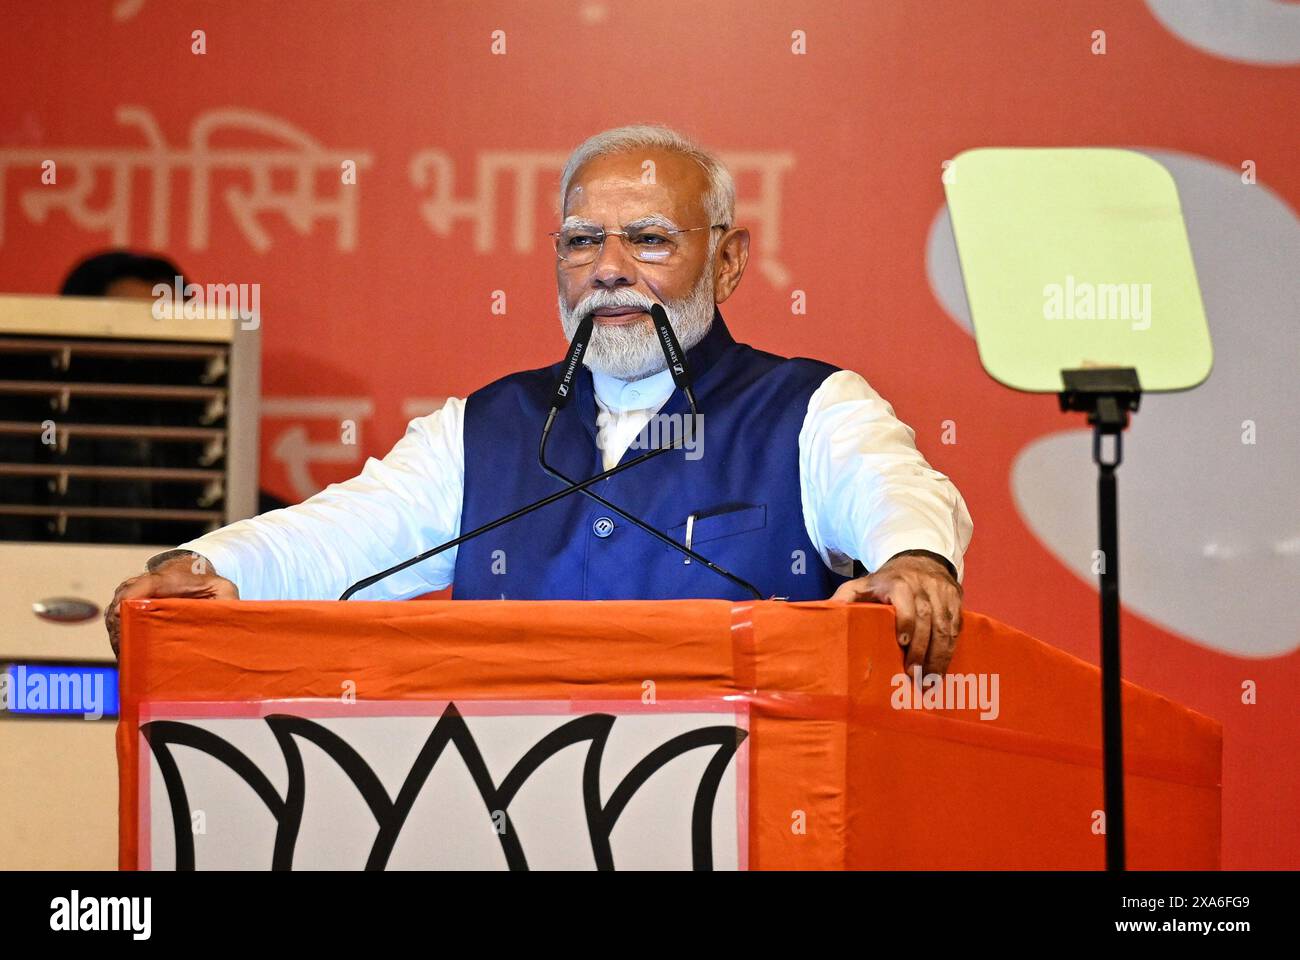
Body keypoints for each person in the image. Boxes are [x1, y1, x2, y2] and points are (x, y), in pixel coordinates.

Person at [106, 124, 974, 674]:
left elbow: (896, 493)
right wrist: (204, 569)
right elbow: (341, 537)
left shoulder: (809, 408)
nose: (607, 268)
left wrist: (913, 560)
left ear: (729, 261)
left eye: (647, 239)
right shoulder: (485, 426)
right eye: (581, 240)